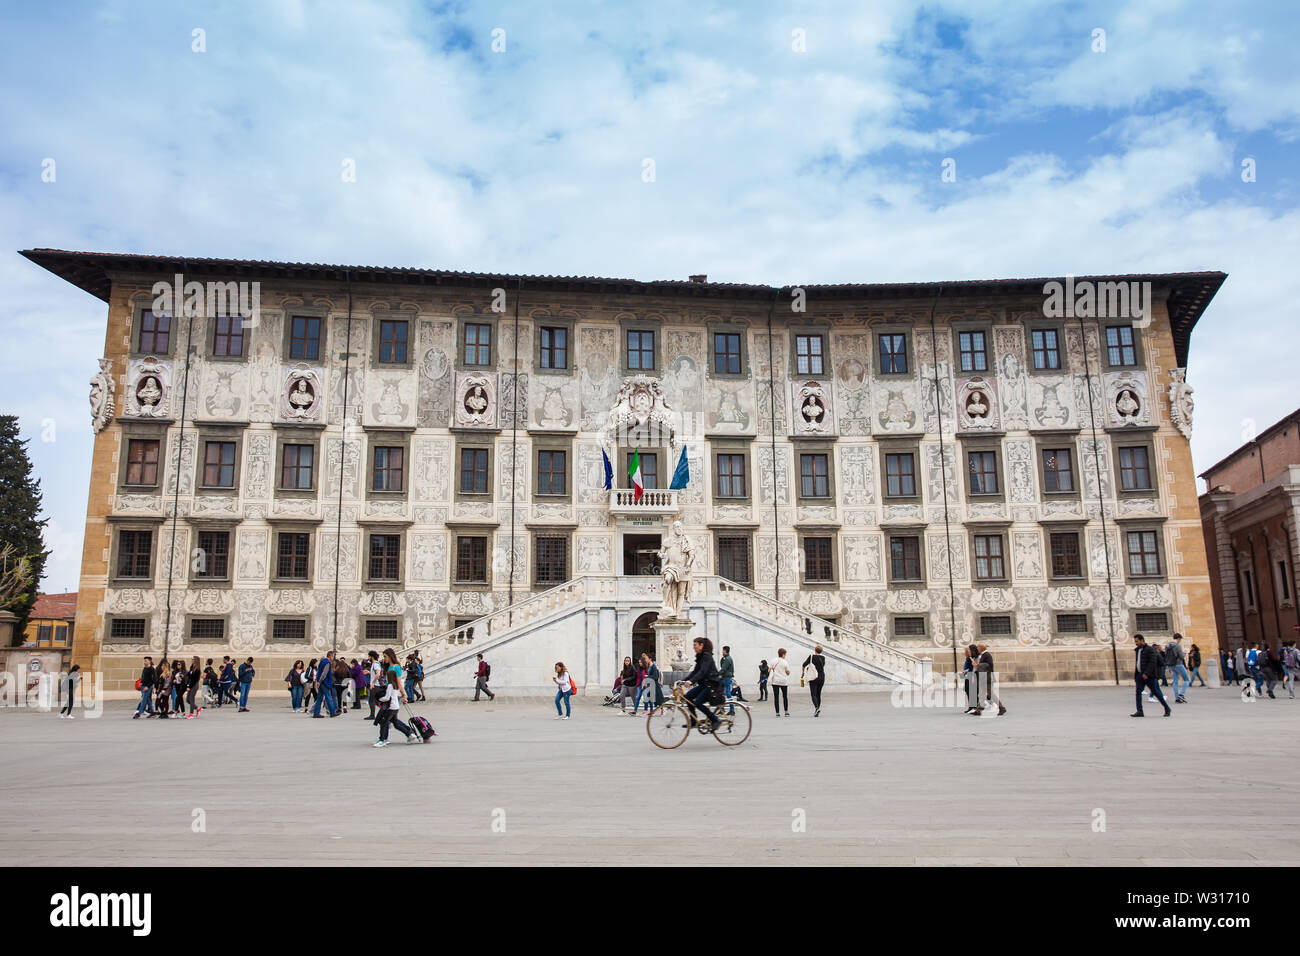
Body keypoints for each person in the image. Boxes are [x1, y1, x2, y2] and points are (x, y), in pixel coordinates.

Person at [681, 637, 721, 732]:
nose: (693, 647)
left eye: (695, 645)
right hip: (705, 684)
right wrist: (683, 680)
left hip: (712, 685)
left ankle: (715, 720)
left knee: (698, 703)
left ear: (701, 645)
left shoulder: (707, 656)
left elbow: (702, 671)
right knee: (687, 697)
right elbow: (695, 672)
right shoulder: (700, 656)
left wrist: (691, 681)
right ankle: (693, 721)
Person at [1131, 634, 1171, 717]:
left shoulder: (1150, 650)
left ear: (1142, 640)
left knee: (1156, 692)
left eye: (1137, 641)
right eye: (1135, 641)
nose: (1136, 643)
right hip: (1139, 675)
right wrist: (1136, 675)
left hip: (1149, 676)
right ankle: (1139, 711)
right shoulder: (1138, 650)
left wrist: (1147, 673)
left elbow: (1152, 662)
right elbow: (1138, 663)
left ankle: (1167, 708)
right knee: (1138, 692)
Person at [373, 671, 416, 747]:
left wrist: (380, 699)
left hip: (391, 707)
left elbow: (387, 697)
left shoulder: (390, 685)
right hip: (396, 707)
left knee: (383, 722)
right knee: (396, 724)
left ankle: (382, 740)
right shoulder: (395, 685)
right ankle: (409, 734)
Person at [970, 643, 1007, 716]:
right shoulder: (984, 655)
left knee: (991, 694)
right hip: (983, 677)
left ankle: (1001, 708)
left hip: (987, 678)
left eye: (978, 647)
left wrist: (978, 665)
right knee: (981, 694)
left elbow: (989, 665)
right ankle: (979, 709)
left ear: (981, 648)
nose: (977, 649)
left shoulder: (987, 655)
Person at [801, 644, 827, 717]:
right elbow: (821, 667)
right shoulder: (823, 658)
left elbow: (804, 665)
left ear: (815, 650)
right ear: (821, 651)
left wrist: (803, 672)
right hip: (821, 677)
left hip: (813, 677)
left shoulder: (812, 657)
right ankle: (817, 708)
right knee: (818, 694)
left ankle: (816, 708)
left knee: (813, 694)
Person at [312, 651, 339, 718]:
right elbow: (324, 673)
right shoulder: (327, 663)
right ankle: (332, 712)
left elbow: (319, 672)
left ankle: (316, 713)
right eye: (333, 656)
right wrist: (320, 681)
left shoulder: (322, 661)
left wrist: (318, 681)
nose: (333, 658)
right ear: (330, 656)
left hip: (321, 682)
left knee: (319, 698)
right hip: (325, 682)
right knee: (328, 697)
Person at [1165, 634, 1190, 703]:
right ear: (1178, 639)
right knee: (1187, 679)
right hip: (1178, 664)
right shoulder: (1177, 646)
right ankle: (1181, 694)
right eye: (1180, 639)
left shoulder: (1167, 646)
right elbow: (1181, 656)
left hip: (1171, 665)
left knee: (1175, 681)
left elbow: (1166, 656)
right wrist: (1185, 653)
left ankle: (1177, 698)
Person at [770, 648, 791, 716]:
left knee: (776, 697)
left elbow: (768, 670)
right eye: (785, 654)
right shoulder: (785, 662)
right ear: (783, 654)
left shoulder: (773, 661)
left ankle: (777, 713)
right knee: (785, 696)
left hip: (775, 681)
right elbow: (788, 672)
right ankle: (786, 711)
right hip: (783, 681)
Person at [718, 646, 736, 716]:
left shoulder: (728, 659)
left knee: (727, 693)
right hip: (726, 677)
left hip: (726, 678)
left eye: (723, 650)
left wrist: (716, 674)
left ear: (725, 651)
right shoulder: (727, 658)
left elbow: (723, 669)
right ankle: (722, 708)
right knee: (722, 693)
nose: (722, 651)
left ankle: (731, 710)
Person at [962, 643, 978, 713]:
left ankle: (975, 706)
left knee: (974, 691)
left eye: (969, 650)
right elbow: (966, 666)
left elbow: (977, 667)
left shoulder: (978, 657)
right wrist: (965, 670)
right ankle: (971, 706)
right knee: (967, 689)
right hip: (969, 675)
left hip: (976, 676)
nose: (968, 652)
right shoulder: (969, 657)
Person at [367, 651, 384, 721]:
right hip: (377, 684)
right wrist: (368, 672)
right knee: (376, 700)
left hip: (375, 685)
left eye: (369, 656)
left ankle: (372, 715)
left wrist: (373, 683)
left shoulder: (375, 664)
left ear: (372, 657)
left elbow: (378, 674)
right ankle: (383, 711)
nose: (368, 658)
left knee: (371, 700)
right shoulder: (376, 664)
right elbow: (375, 673)